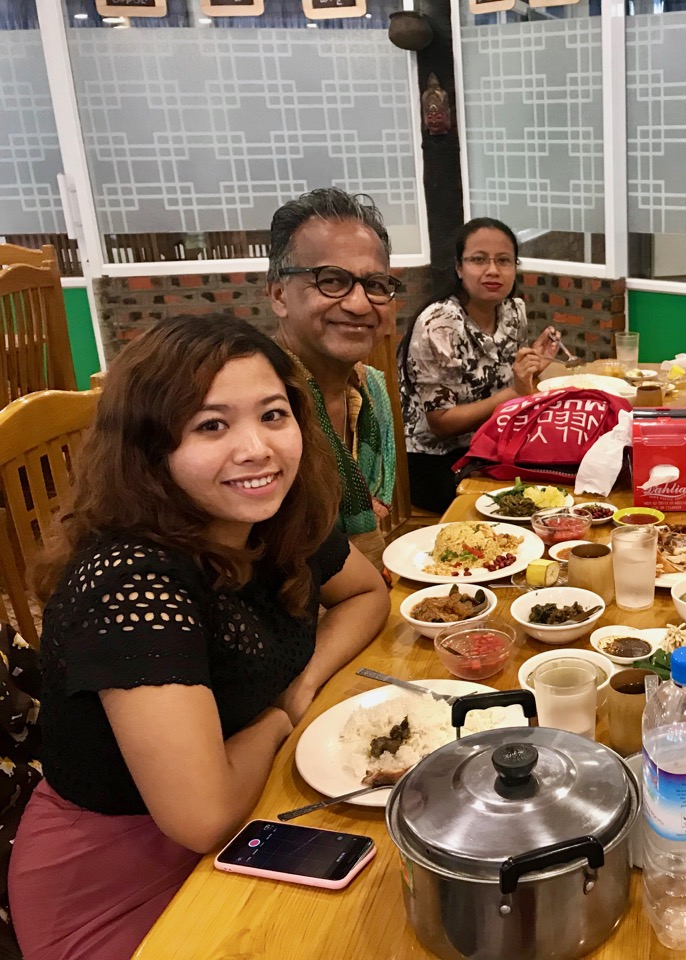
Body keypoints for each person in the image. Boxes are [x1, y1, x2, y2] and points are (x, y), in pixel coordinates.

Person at [9, 315, 389, 960]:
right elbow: (202, 817)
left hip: (252, 810)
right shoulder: (133, 583)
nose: (257, 449)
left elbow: (366, 592)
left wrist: (302, 680)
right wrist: (280, 717)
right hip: (116, 878)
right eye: (212, 425)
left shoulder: (272, 511)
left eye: (273, 415)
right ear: (150, 447)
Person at [268, 187, 400, 568]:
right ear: (279, 294)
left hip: (371, 595)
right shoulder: (257, 409)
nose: (359, 304)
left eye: (375, 284)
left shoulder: (370, 389)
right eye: (331, 280)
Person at [398, 217, 559, 513]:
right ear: (459, 268)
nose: (493, 270)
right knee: (533, 502)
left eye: (504, 260)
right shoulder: (440, 324)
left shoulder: (513, 311)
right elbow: (441, 424)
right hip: (438, 461)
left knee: (564, 472)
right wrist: (515, 391)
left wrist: (534, 366)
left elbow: (507, 387)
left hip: (493, 443)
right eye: (478, 260)